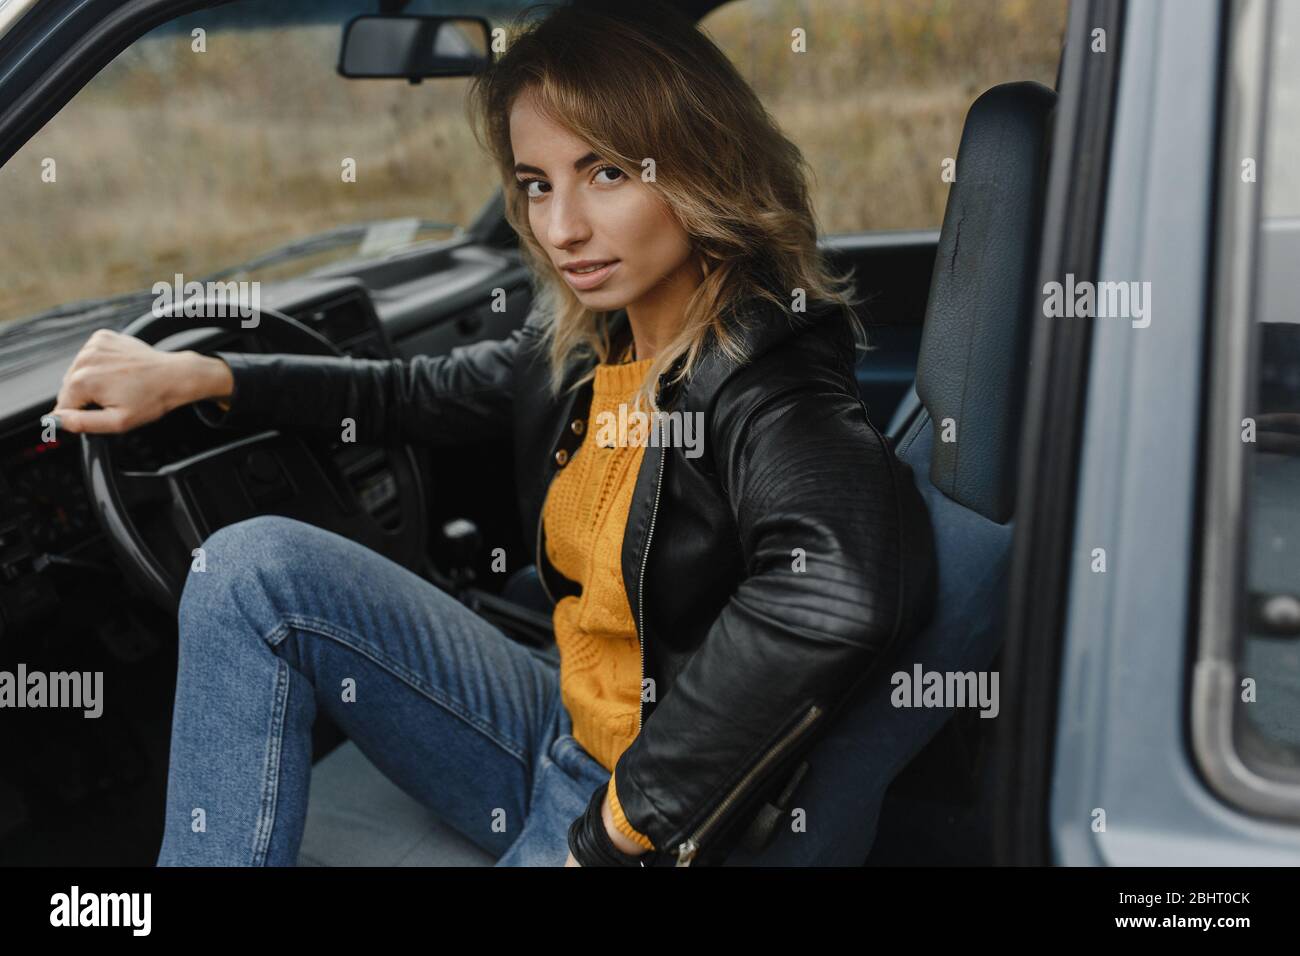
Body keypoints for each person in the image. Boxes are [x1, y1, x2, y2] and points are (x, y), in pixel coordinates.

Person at [48, 1, 934, 866]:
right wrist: (210, 376)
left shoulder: (770, 373)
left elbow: (841, 590)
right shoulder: (598, 338)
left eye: (608, 173)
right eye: (538, 184)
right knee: (248, 570)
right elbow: (415, 393)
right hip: (553, 720)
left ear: (703, 166)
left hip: (648, 810)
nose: (561, 230)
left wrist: (620, 827)